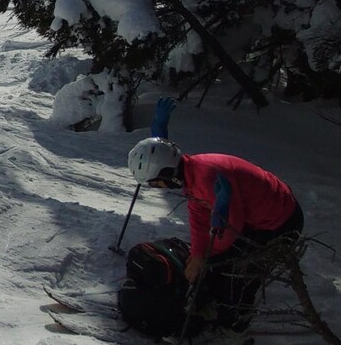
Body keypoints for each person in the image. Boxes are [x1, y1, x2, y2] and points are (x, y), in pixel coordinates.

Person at [127, 126, 303, 330]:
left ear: (167, 174)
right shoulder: (193, 173)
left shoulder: (207, 177)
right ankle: (216, 305)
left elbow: (230, 227)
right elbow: (199, 216)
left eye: (155, 183)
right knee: (217, 262)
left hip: (281, 220)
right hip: (255, 216)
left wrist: (205, 258)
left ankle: (234, 330)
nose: (156, 188)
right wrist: (199, 253)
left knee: (241, 276)